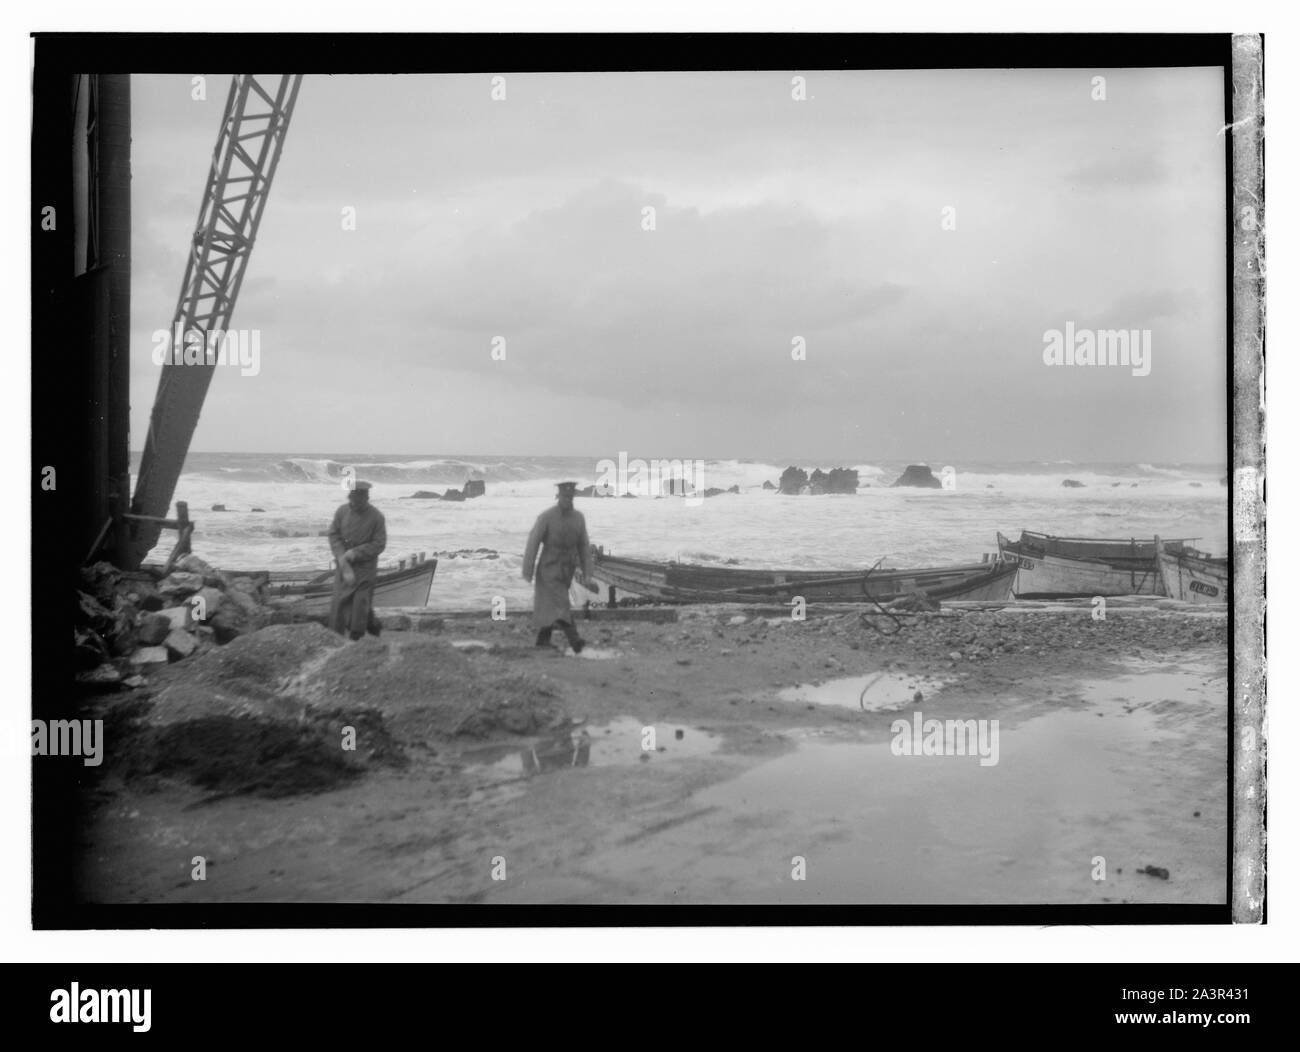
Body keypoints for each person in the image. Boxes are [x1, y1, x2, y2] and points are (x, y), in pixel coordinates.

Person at [522, 481, 594, 653]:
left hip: (566, 570)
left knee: (552, 607)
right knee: (561, 604)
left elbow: (584, 546)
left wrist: (588, 573)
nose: (567, 499)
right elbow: (533, 542)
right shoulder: (546, 517)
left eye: (570, 496)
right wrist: (528, 569)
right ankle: (575, 640)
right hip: (548, 569)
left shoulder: (578, 518)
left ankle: (542, 640)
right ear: (558, 496)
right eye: (564, 496)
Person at [328, 480, 387, 640]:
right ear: (350, 496)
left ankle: (357, 638)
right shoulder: (341, 512)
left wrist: (356, 553)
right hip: (344, 567)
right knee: (339, 605)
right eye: (353, 497)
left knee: (360, 605)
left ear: (366, 497)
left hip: (365, 569)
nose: (355, 501)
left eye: (360, 497)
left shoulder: (377, 517)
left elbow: (379, 544)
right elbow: (334, 536)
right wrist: (342, 557)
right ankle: (336, 639)